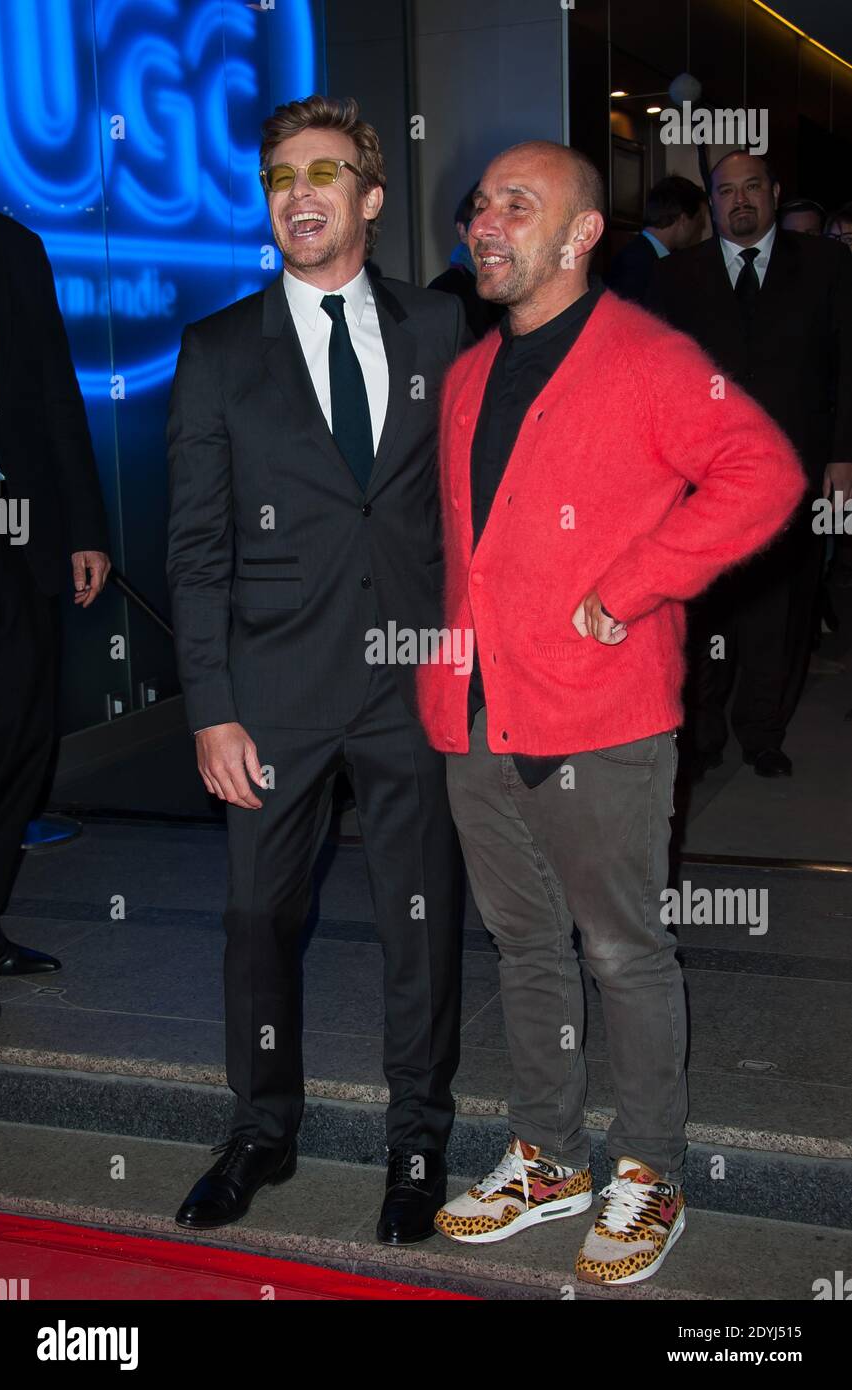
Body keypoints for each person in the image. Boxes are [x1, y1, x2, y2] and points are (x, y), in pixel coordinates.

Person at [416, 140, 804, 1285]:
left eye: (516, 206)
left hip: (602, 714)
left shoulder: (646, 356)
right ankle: (548, 1154)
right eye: (480, 205)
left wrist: (628, 589)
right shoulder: (474, 373)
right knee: (524, 943)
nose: (485, 223)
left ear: (583, 233)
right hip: (479, 714)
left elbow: (765, 472)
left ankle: (651, 1170)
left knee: (623, 952)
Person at [167, 95, 464, 1243]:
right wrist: (212, 709)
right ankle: (260, 1126)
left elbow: (464, 513)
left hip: (410, 686)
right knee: (256, 919)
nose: (299, 191)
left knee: (420, 921)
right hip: (273, 697)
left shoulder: (440, 331)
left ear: (370, 199)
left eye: (325, 172)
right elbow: (195, 548)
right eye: (281, 173)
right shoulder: (217, 350)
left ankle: (418, 1133)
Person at [646, 152, 852, 778]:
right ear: (711, 202)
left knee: (783, 608)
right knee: (708, 608)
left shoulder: (826, 266)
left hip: (796, 470)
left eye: (752, 187)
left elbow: (848, 364)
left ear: (775, 191)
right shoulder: (679, 276)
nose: (740, 201)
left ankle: (763, 731)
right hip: (704, 476)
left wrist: (842, 455)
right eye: (726, 190)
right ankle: (702, 735)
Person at [0, 210, 111, 1031]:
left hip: (17, 531)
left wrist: (84, 529)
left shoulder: (12, 245)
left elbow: (55, 388)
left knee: (18, 740)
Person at [605, 174, 706, 303]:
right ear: (684, 220)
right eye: (698, 220)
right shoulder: (635, 265)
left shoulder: (643, 257)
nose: (702, 227)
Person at [428, 182, 505, 341]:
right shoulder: (445, 293)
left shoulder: (518, 286)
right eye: (480, 215)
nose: (492, 232)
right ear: (462, 231)